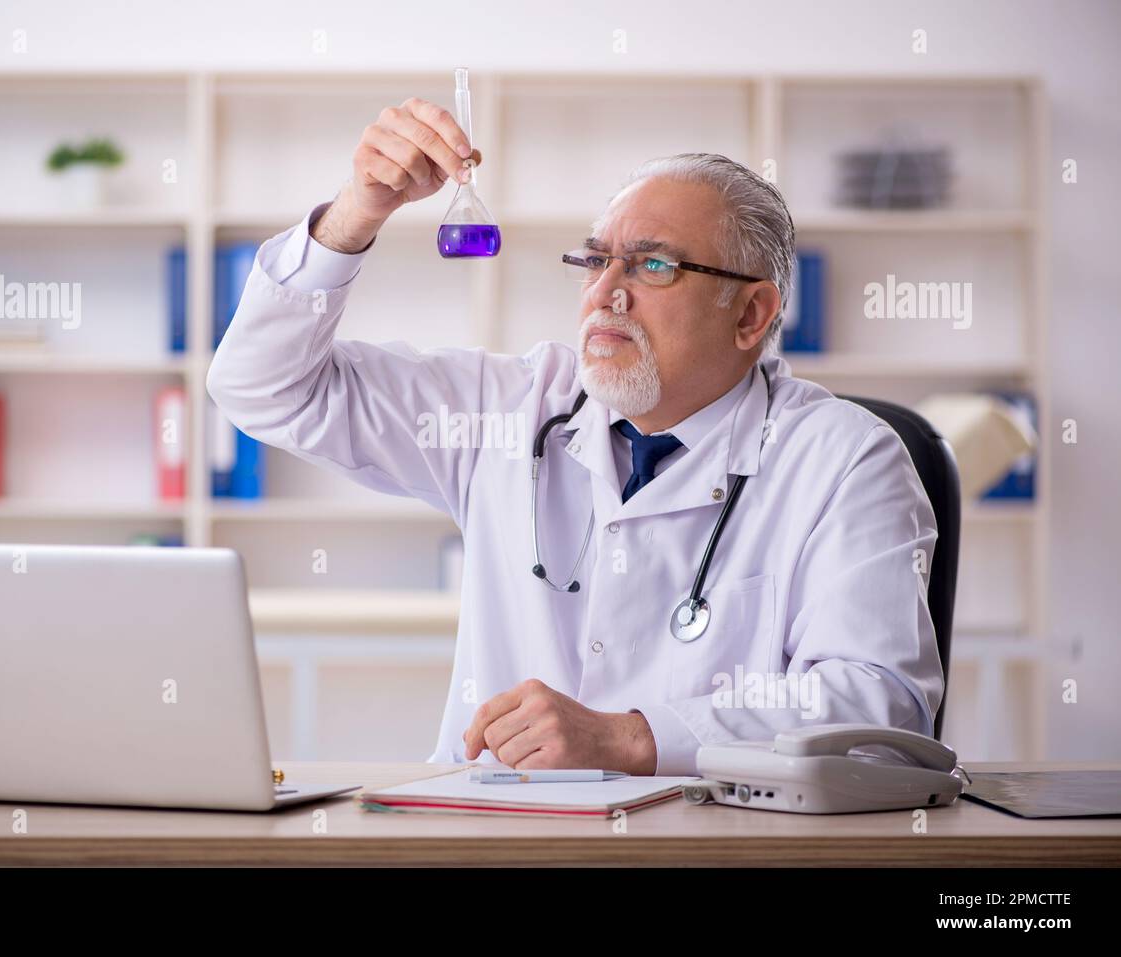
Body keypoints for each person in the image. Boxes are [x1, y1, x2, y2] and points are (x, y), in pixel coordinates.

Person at [207, 97, 943, 775]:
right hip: (491, 839)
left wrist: (631, 736)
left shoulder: (847, 458)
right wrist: (358, 211)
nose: (604, 292)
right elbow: (262, 386)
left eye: (652, 264)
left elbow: (880, 707)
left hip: (709, 848)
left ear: (751, 316)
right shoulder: (508, 410)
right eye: (596, 259)